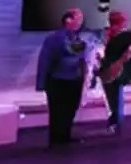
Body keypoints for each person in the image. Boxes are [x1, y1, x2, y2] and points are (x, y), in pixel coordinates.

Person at [36, 9, 91, 147]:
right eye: (77, 19)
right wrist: (41, 83)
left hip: (75, 80)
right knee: (57, 111)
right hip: (58, 80)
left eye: (81, 19)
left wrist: (86, 78)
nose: (80, 22)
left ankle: (65, 136)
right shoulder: (54, 38)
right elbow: (45, 60)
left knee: (71, 108)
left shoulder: (79, 39)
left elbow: (82, 60)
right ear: (68, 20)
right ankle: (56, 139)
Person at [98, 11, 131, 134]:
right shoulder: (123, 35)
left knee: (112, 98)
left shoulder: (105, 34)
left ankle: (114, 121)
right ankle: (116, 122)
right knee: (117, 98)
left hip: (107, 69)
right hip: (117, 69)